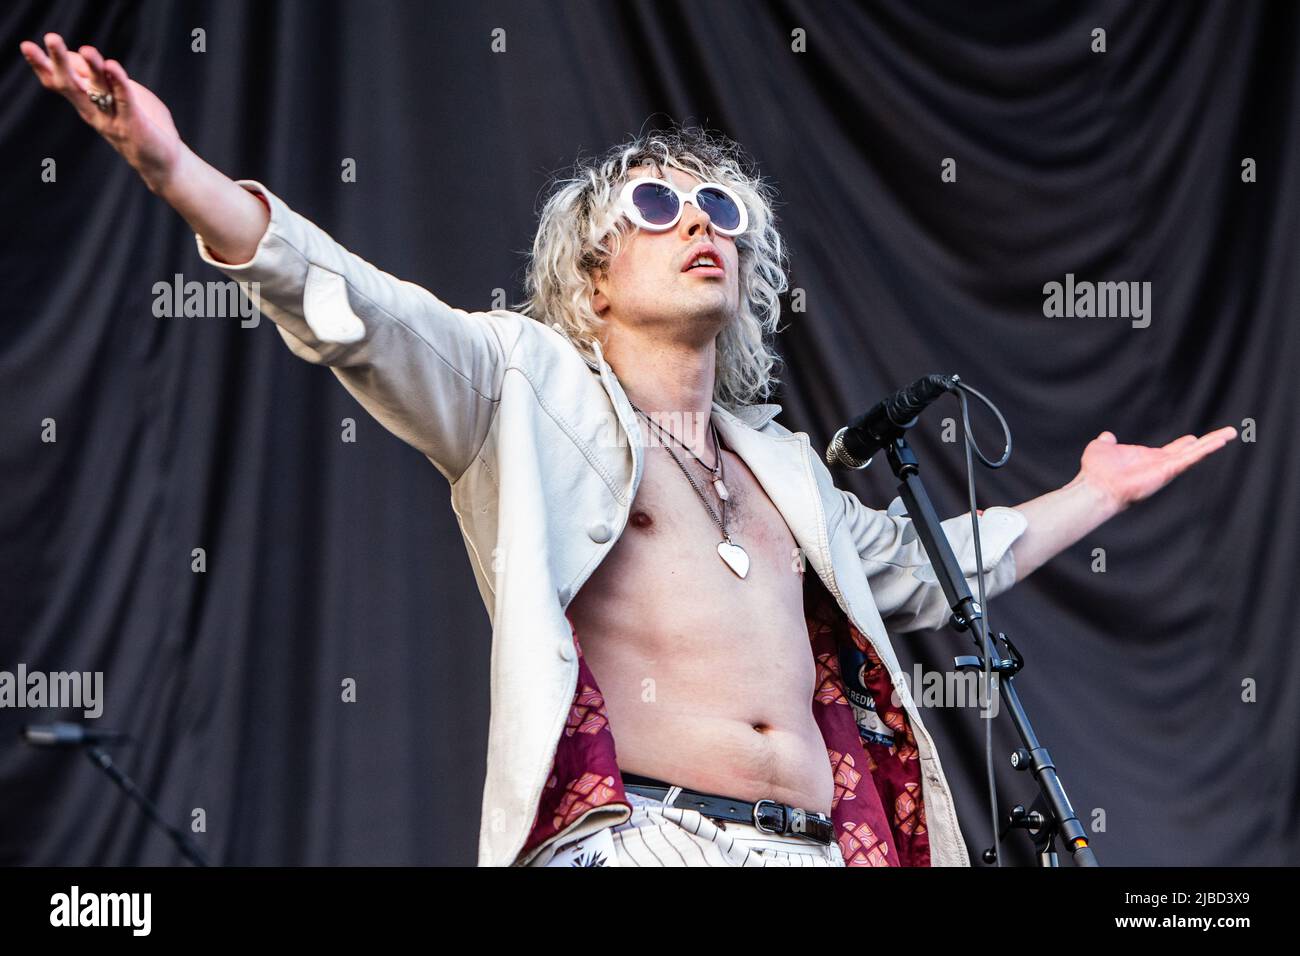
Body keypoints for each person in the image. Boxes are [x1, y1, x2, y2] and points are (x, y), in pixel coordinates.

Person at [20, 33, 1237, 868]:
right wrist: (176, 170)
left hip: (818, 845)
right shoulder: (524, 384)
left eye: (722, 212)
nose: (697, 223)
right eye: (656, 207)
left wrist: (1092, 490)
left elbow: (932, 568)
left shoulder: (784, 466)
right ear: (593, 278)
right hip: (649, 840)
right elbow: (360, 312)